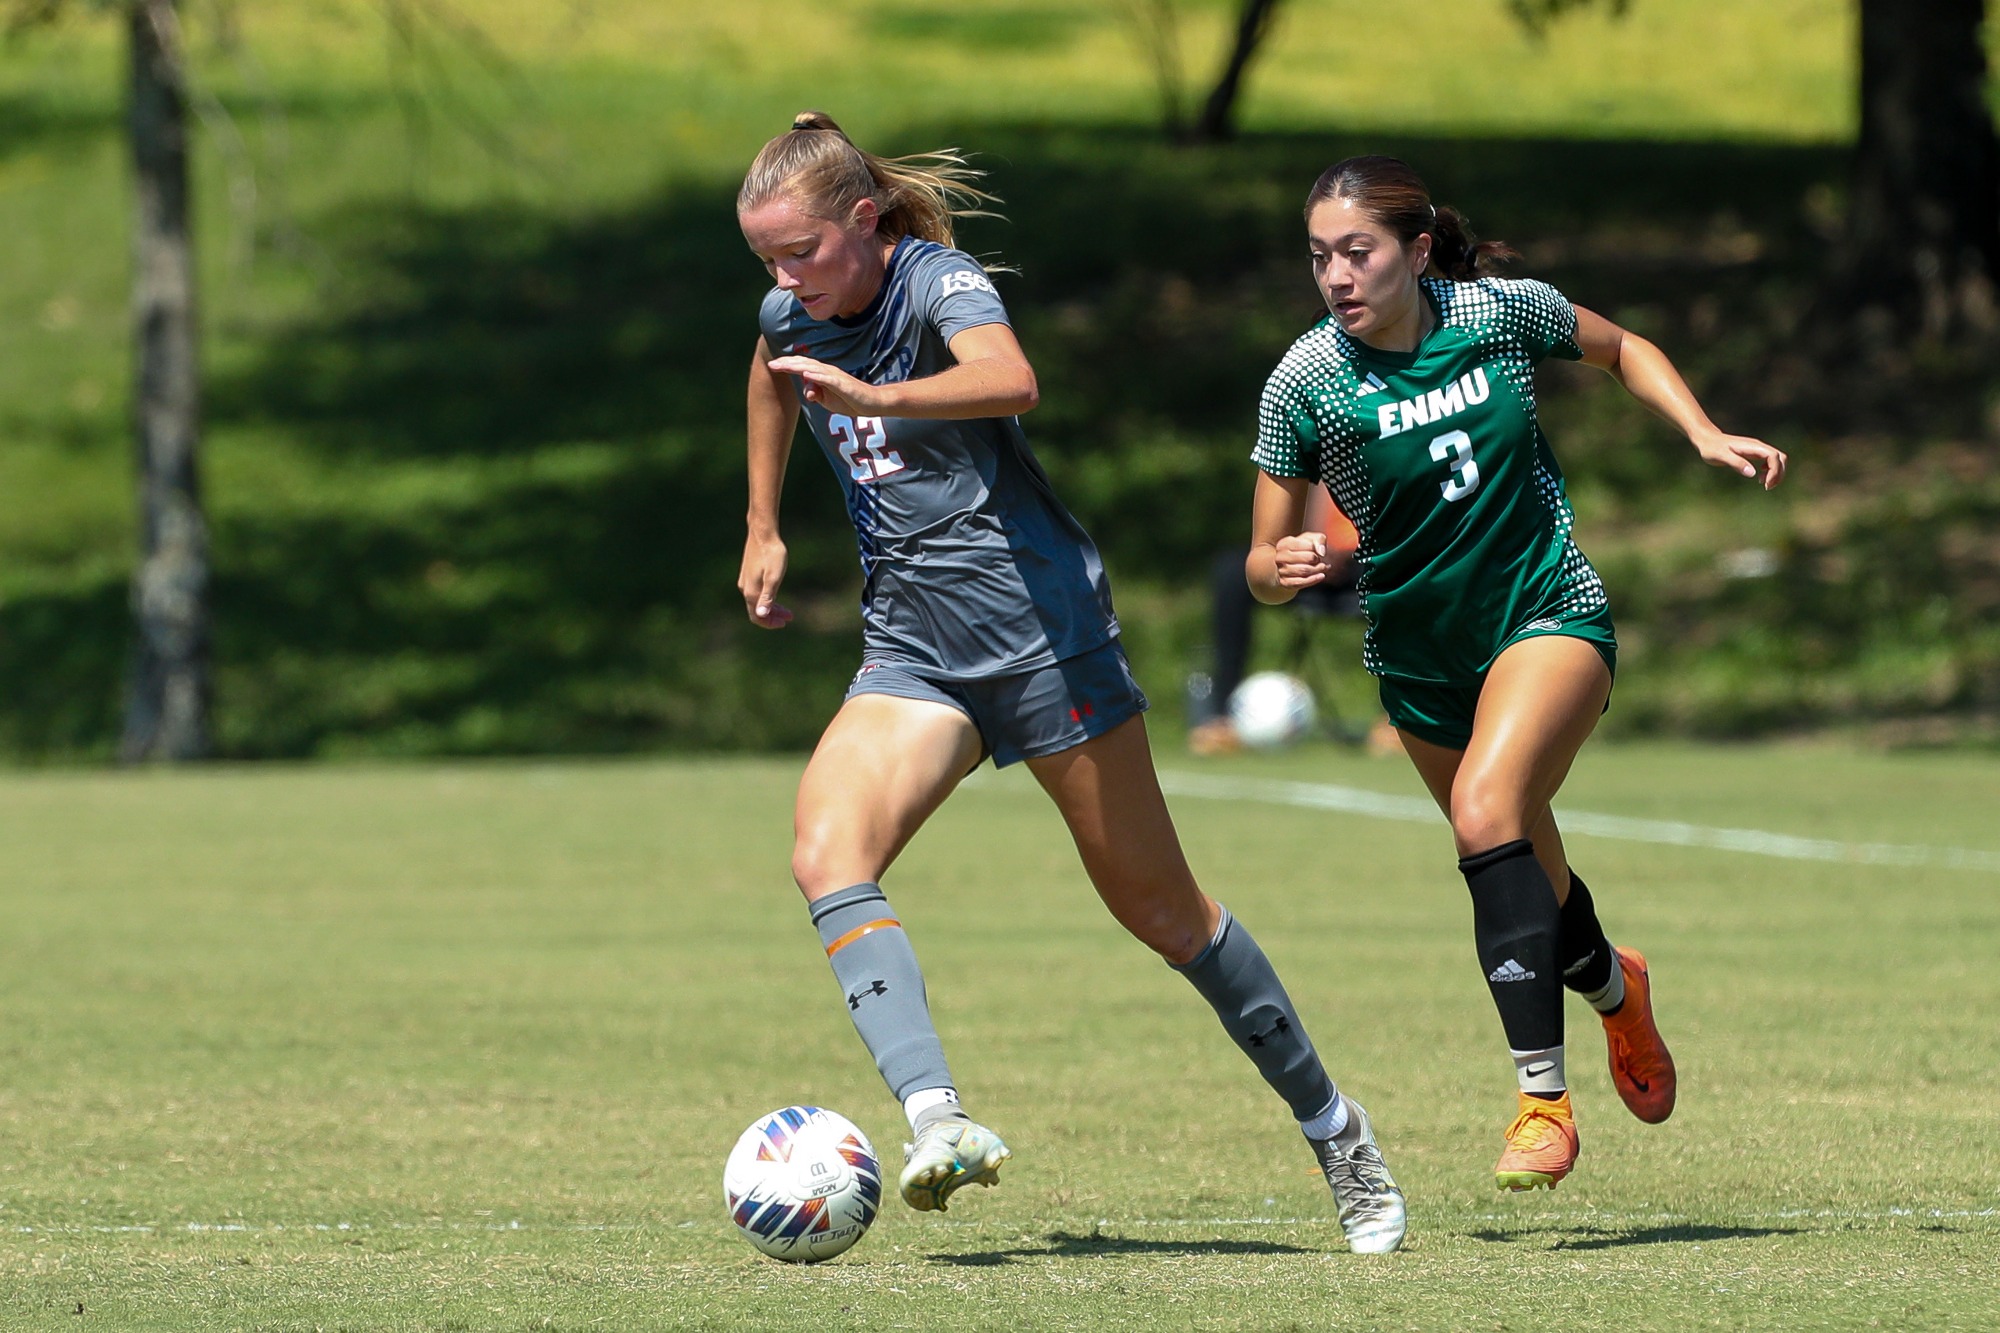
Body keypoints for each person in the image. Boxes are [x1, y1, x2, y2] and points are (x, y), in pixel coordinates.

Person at [733, 113, 1406, 1252]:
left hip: (1047, 640)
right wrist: (760, 520)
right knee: (824, 854)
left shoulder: (938, 281)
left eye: (798, 252)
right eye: (765, 262)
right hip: (915, 650)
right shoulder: (789, 308)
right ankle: (937, 1118)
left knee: (1162, 913)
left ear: (863, 221)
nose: (783, 280)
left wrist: (878, 400)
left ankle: (1333, 1125)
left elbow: (1010, 378)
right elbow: (768, 373)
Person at [1245, 156, 1787, 1192]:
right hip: (1417, 658)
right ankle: (1615, 991)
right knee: (1523, 865)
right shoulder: (1302, 380)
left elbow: (1621, 347)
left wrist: (1701, 430)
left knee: (1484, 809)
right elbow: (1259, 563)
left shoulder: (1496, 313)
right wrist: (1283, 568)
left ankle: (1541, 1102)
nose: (1335, 276)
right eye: (1318, 257)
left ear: (1411, 251)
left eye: (1356, 252)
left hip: (1546, 611)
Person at [1187, 486, 1376, 755]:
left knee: (1408, 575)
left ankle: (1399, 715)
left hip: (1372, 560)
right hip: (1317, 562)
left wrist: (1350, 553)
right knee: (1231, 572)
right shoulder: (1317, 451)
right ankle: (1221, 718)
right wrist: (1310, 549)